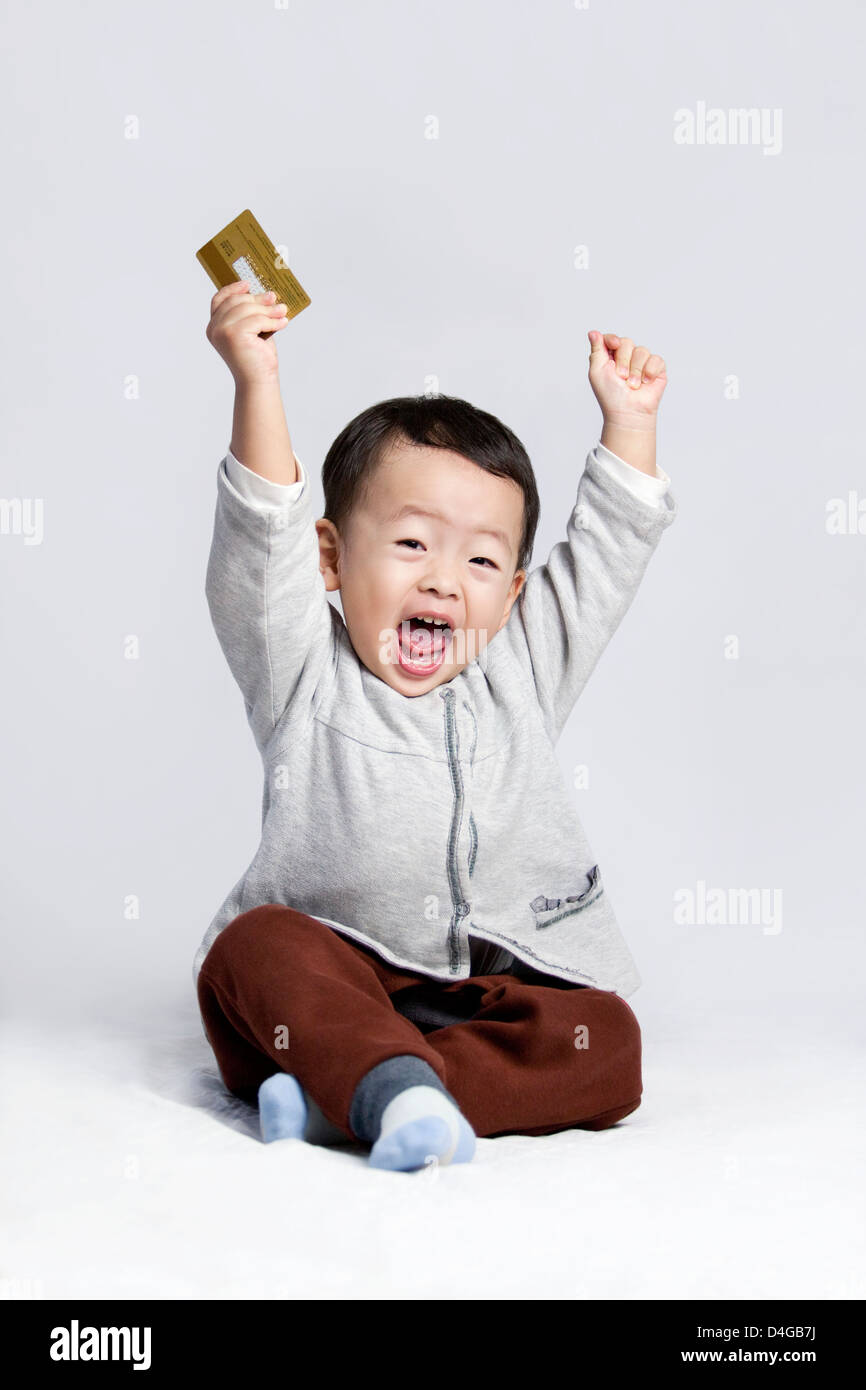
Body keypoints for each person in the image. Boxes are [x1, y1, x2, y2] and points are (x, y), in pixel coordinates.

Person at [194, 279, 677, 1171]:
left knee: (607, 1040)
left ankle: (363, 1093)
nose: (445, 580)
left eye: (483, 559)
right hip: (332, 985)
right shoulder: (303, 671)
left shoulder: (521, 675)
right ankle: (368, 1072)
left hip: (481, 993)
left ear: (516, 594)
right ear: (332, 558)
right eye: (413, 543)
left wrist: (631, 424)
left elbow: (605, 559)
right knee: (253, 948)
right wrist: (256, 381)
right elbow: (262, 543)